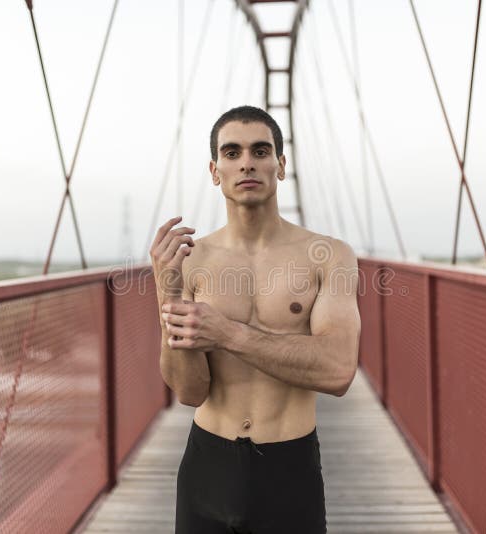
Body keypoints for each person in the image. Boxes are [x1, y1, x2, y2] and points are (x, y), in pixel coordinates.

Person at [149, 105, 361, 534]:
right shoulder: (191, 261)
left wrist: (226, 332)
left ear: (281, 166)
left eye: (261, 151)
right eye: (232, 152)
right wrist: (167, 295)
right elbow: (190, 391)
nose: (246, 161)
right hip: (207, 463)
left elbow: (338, 371)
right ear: (215, 170)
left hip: (289, 465)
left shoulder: (329, 255)